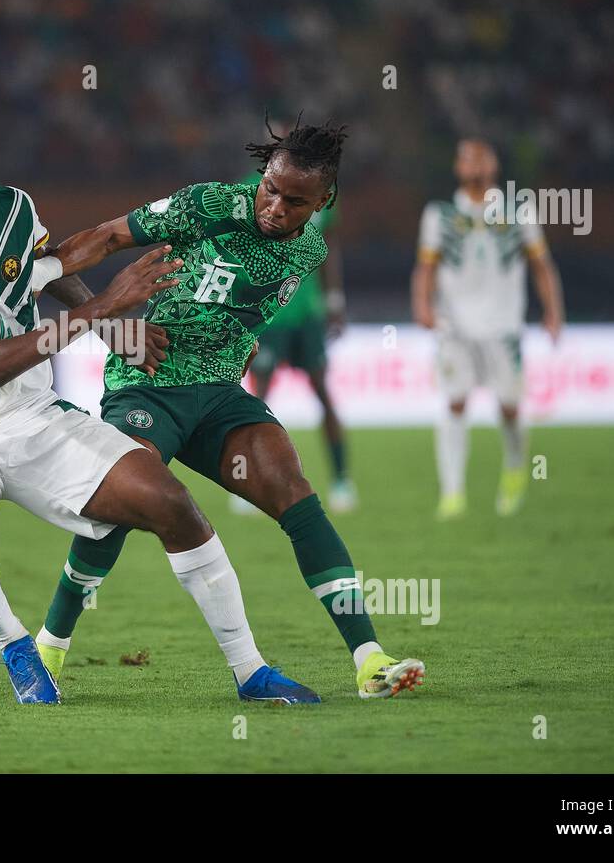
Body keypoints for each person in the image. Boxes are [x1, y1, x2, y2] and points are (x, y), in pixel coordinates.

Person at [0, 119, 321, 705]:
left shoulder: (12, 211)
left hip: (36, 417)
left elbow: (51, 270)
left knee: (170, 503)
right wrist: (109, 306)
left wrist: (112, 328)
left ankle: (251, 672)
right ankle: (16, 647)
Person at [33, 118, 425, 700]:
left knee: (295, 494)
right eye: (270, 188)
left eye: (296, 201)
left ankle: (369, 660)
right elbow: (109, 237)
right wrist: (98, 317)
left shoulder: (311, 249)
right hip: (146, 389)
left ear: (325, 202)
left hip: (218, 399)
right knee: (121, 505)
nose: (275, 207)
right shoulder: (209, 205)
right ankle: (50, 647)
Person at [411, 139, 565, 518]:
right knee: (454, 401)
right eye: (466, 157)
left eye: (481, 156)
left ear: (494, 163)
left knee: (510, 407)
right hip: (455, 328)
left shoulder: (518, 211)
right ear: (457, 167)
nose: (474, 163)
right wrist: (422, 306)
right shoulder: (440, 214)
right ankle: (452, 492)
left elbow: (541, 265)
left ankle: (515, 468)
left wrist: (553, 311)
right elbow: (426, 268)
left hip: (504, 327)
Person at [245, 191, 356, 513]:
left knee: (323, 393)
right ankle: (250, 482)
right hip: (268, 315)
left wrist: (335, 300)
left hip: (308, 312)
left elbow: (329, 248)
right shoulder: (250, 189)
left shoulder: (321, 193)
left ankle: (341, 479)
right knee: (255, 402)